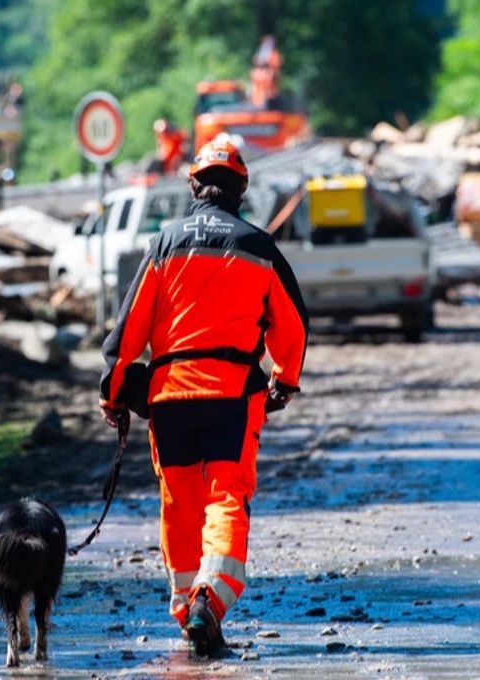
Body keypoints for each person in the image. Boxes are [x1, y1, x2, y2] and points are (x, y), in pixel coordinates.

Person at [98, 137, 308, 657]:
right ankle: (209, 601)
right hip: (232, 397)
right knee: (225, 499)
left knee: (180, 504)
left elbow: (127, 333)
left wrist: (115, 391)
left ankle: (188, 604)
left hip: (169, 400)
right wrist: (285, 377)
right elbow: (293, 326)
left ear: (193, 185)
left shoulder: (163, 244)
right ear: (241, 190)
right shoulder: (258, 246)